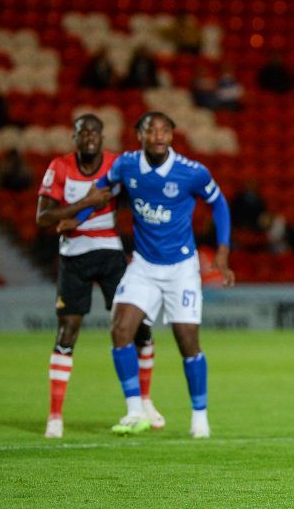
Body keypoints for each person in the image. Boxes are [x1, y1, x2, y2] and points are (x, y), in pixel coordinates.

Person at [71, 111, 234, 437]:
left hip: (181, 270)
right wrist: (77, 218)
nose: (158, 135)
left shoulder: (192, 172)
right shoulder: (126, 166)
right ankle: (135, 410)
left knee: (187, 341)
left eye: (164, 130)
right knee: (120, 330)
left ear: (172, 135)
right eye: (151, 130)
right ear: (140, 135)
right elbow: (99, 192)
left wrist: (222, 252)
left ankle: (199, 416)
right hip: (144, 266)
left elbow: (220, 205)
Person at [35, 115, 165, 438]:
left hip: (110, 254)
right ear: (74, 137)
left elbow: (135, 197)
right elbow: (43, 217)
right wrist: (84, 205)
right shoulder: (60, 167)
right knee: (68, 332)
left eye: (95, 131)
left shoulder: (115, 164)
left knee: (140, 328)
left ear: (103, 136)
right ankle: (55, 416)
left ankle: (144, 402)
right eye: (83, 131)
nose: (90, 136)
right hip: (74, 257)